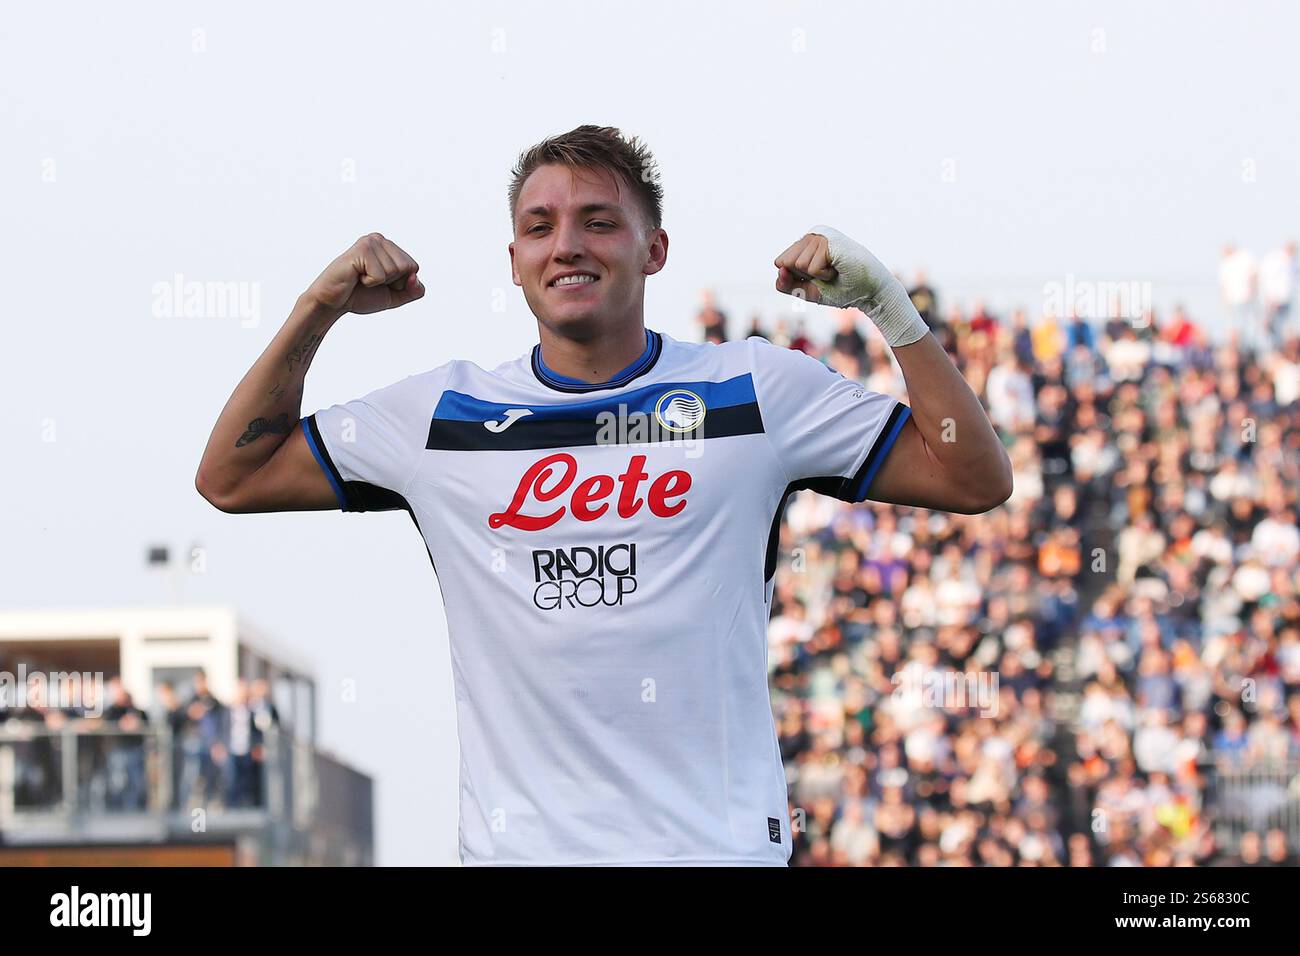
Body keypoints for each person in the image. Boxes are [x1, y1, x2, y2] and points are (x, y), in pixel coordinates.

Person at [194, 124, 1012, 866]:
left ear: (654, 249)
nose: (566, 245)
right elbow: (233, 475)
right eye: (539, 226)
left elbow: (971, 477)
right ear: (512, 261)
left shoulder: (752, 389)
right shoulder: (444, 415)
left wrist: (887, 306)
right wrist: (319, 308)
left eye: (598, 220)